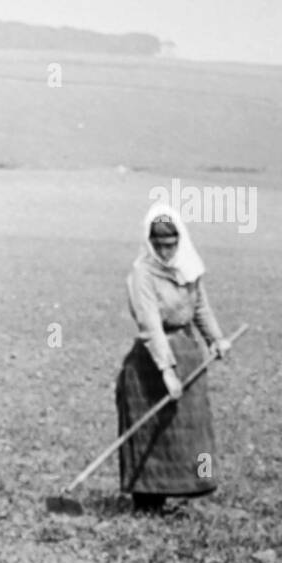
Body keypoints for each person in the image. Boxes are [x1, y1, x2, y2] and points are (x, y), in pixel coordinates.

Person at [118, 204, 232, 512]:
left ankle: (190, 488)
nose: (166, 251)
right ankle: (148, 499)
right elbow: (150, 324)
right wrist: (167, 371)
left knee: (190, 427)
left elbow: (200, 308)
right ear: (149, 242)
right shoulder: (142, 273)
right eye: (159, 245)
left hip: (188, 354)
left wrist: (215, 339)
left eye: (171, 245)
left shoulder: (189, 267)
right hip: (151, 362)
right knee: (152, 431)